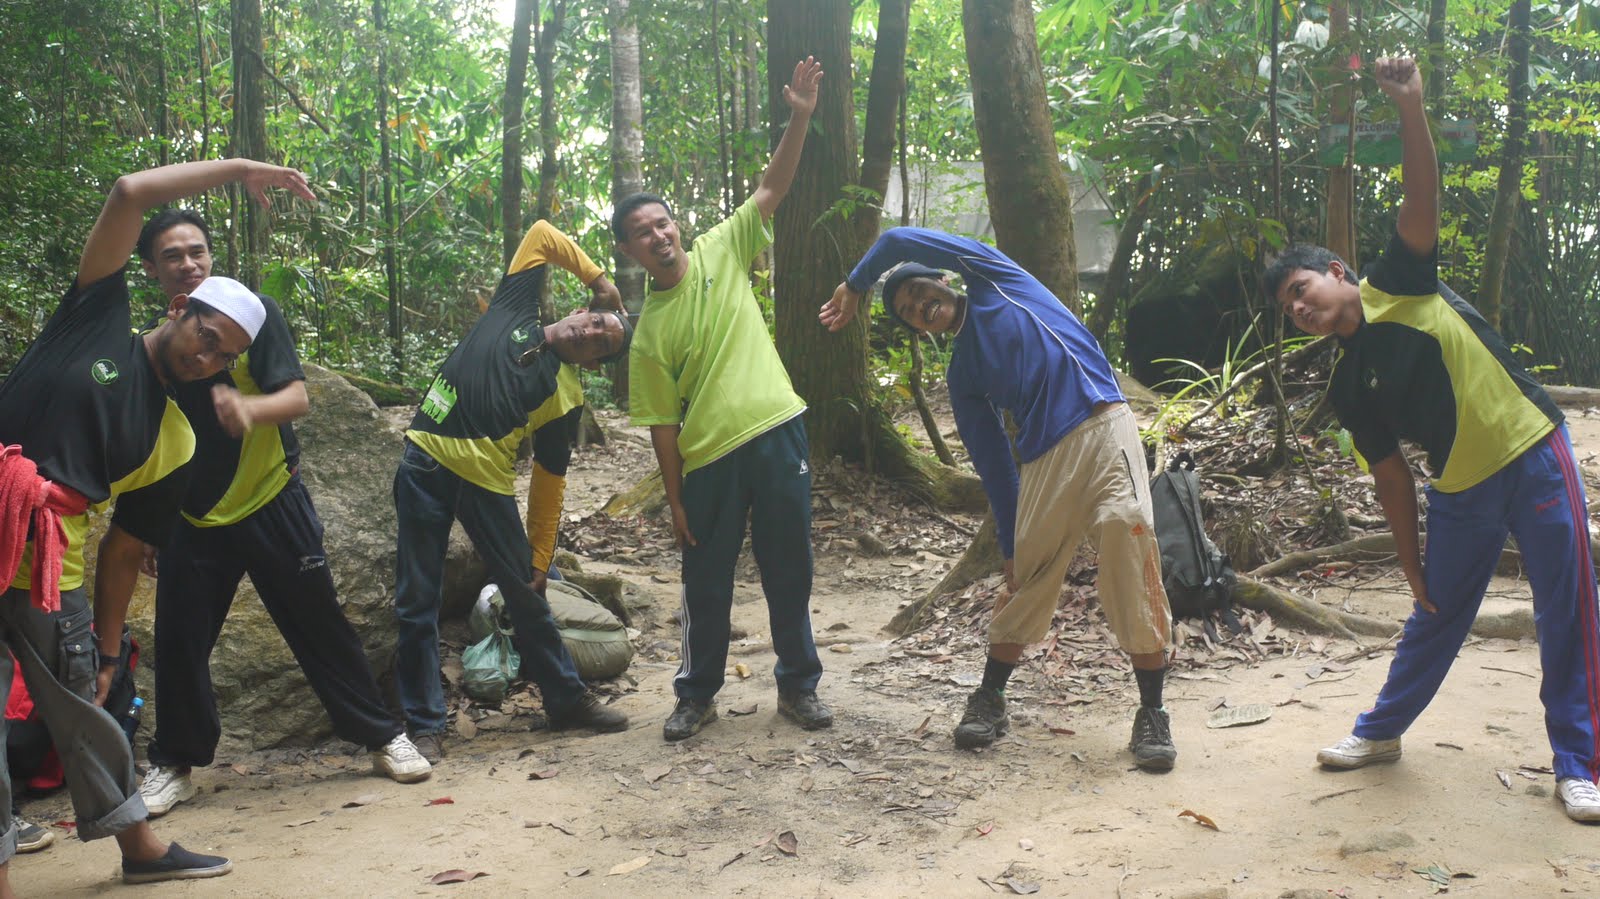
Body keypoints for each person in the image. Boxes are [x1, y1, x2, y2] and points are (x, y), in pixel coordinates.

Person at [1264, 57, 1600, 822]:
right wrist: (1412, 568)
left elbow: (1422, 197)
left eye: (1301, 290)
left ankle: (1578, 764)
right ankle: (1379, 731)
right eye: (1289, 310)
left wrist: (1410, 106)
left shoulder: (1398, 282)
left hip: (1532, 450)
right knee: (1435, 611)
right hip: (1462, 489)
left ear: (1337, 271)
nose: (1300, 309)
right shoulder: (1347, 387)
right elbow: (1391, 479)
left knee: (1567, 604)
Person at [0, 158, 315, 890]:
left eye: (226, 357)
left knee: (86, 706)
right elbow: (129, 193)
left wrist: (109, 651)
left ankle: (139, 846)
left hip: (49, 569)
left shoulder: (174, 439)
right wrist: (243, 169)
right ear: (179, 308)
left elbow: (125, 547)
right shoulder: (95, 318)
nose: (209, 358)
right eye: (208, 336)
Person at [820, 229, 1178, 768]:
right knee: (1028, 573)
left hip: (1105, 423)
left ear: (942, 280)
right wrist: (1009, 543)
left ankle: (1152, 710)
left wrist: (855, 286)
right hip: (1044, 458)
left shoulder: (996, 278)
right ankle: (990, 697)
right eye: (909, 312)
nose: (918, 307)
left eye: (918, 292)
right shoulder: (963, 372)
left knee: (1128, 533)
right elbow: (992, 465)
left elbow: (895, 239)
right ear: (920, 330)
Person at [132, 209, 431, 820]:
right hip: (194, 518)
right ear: (152, 271)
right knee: (181, 641)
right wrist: (148, 527)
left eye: (197, 250)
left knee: (319, 623)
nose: (188, 263)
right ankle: (175, 763)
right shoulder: (156, 347)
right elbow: (147, 444)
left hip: (273, 498)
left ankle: (382, 736)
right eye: (172, 256)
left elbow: (296, 397)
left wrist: (249, 409)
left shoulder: (252, 316)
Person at [612, 57, 831, 743]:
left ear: (676, 227)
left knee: (789, 569)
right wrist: (675, 500)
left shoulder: (720, 248)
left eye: (663, 224)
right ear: (630, 250)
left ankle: (799, 685)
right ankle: (695, 694)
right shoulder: (648, 335)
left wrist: (799, 116)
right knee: (705, 579)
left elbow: (772, 187)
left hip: (777, 431)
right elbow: (662, 425)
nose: (659, 235)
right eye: (644, 232)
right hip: (708, 461)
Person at [394, 219, 632, 762]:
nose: (592, 332)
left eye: (602, 342)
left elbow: (549, 482)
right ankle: (426, 724)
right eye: (596, 321)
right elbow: (542, 234)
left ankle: (566, 700)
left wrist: (542, 557)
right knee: (416, 600)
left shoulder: (566, 396)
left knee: (527, 593)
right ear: (581, 310)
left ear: (594, 363)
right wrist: (600, 279)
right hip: (424, 463)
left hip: (487, 486)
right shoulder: (514, 306)